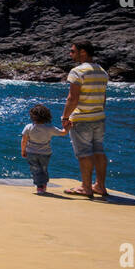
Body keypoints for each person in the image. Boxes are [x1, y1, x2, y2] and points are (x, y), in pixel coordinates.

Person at [62, 39, 109, 198]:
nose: (70, 54)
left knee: (84, 153)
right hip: (99, 117)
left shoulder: (77, 71)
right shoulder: (102, 71)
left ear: (83, 52)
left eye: (72, 51)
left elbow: (72, 98)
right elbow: (103, 98)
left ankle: (86, 187)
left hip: (82, 119)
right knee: (99, 151)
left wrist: (65, 117)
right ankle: (100, 186)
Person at [20, 104, 66, 195]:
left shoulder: (29, 127)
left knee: (35, 169)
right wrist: (67, 127)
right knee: (44, 168)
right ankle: (43, 184)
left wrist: (23, 150)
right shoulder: (50, 128)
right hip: (45, 153)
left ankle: (39, 187)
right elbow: (63, 133)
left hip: (31, 153)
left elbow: (24, 140)